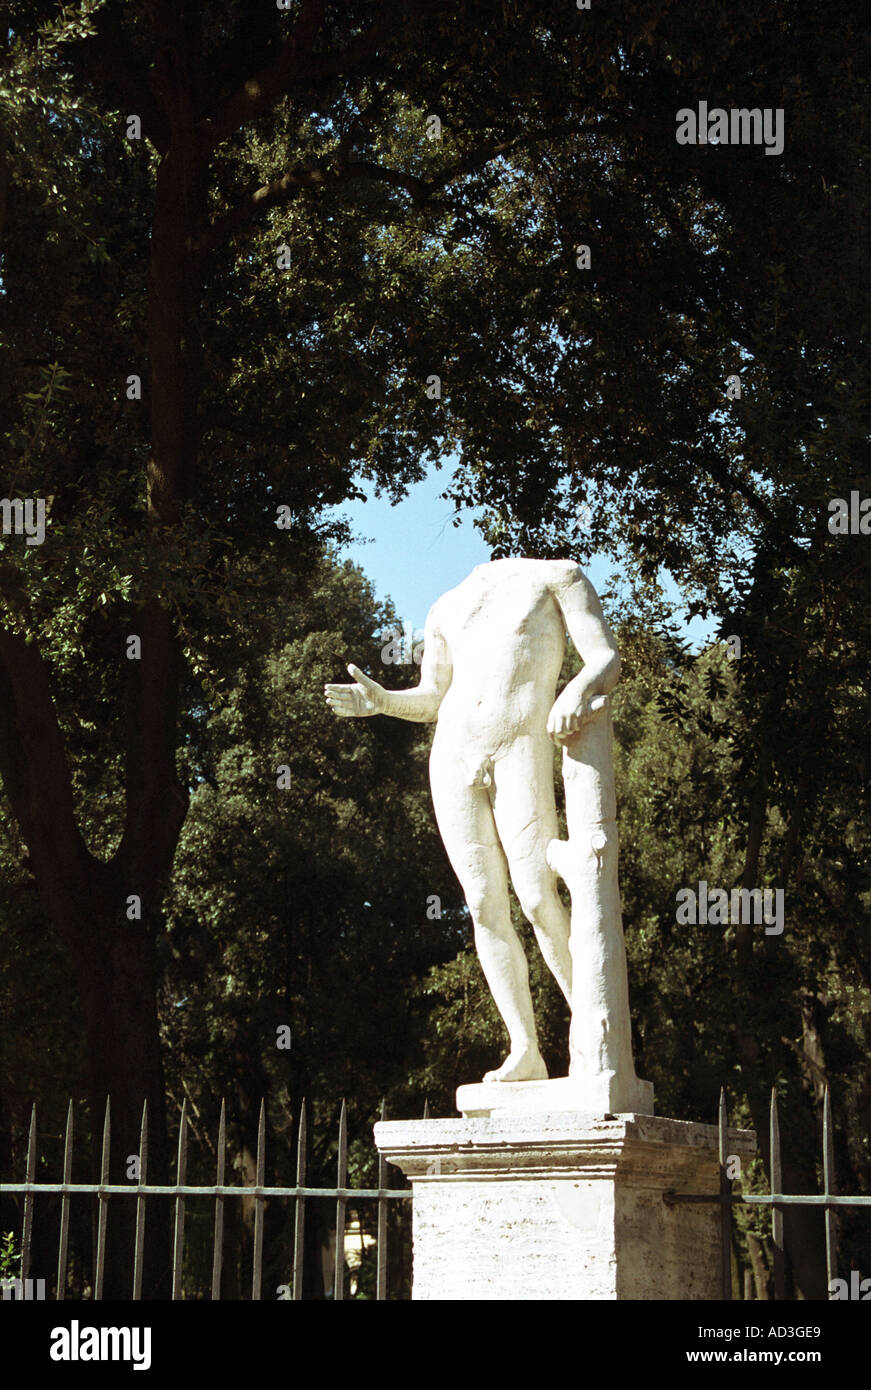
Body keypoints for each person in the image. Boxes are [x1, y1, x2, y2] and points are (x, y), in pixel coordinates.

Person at [325, 558, 621, 1083]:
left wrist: (575, 690)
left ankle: (594, 1032)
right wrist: (383, 702)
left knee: (535, 894)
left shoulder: (558, 576)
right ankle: (524, 1048)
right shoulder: (446, 604)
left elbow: (604, 656)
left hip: (519, 745)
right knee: (484, 906)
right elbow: (434, 697)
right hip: (453, 755)